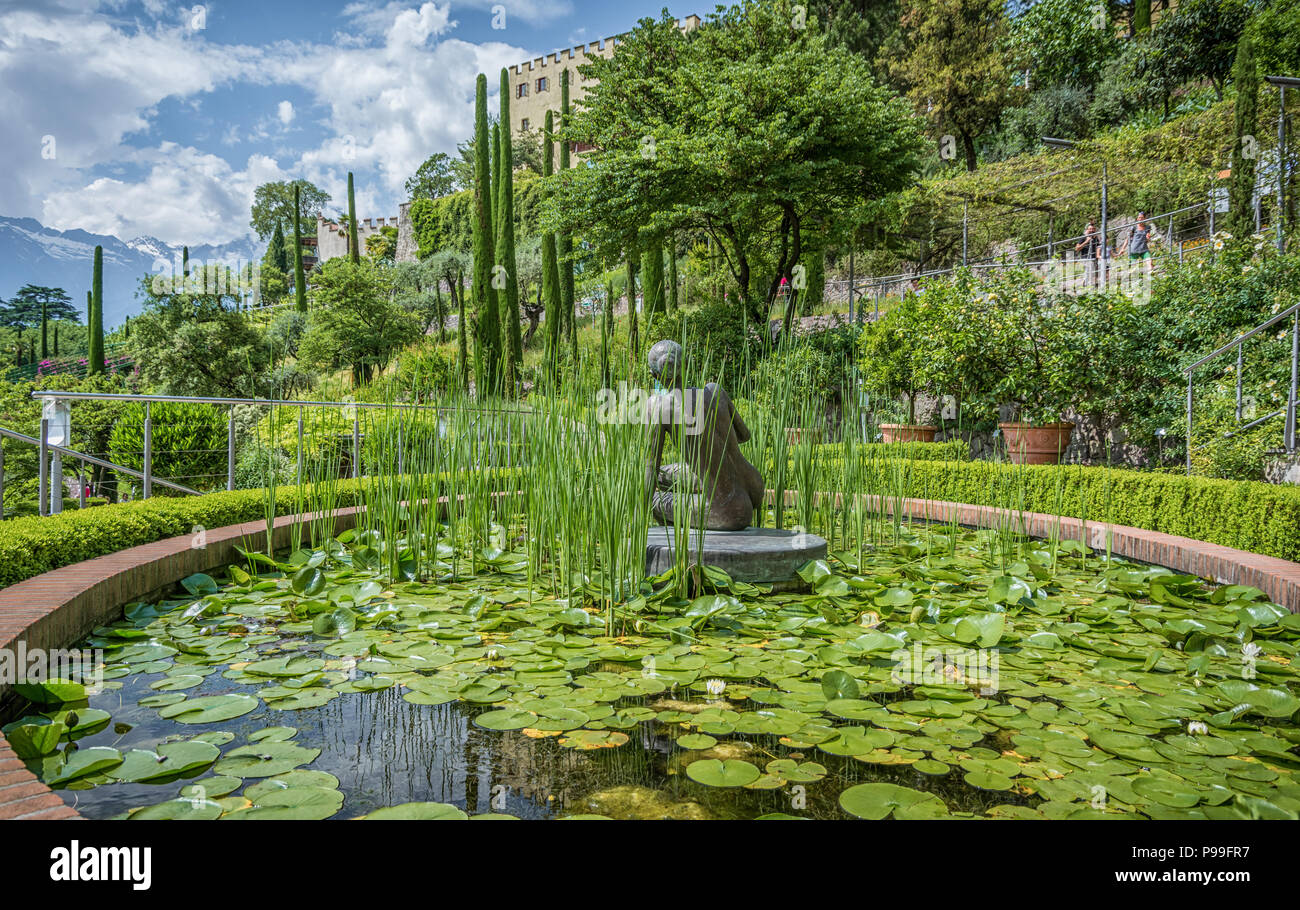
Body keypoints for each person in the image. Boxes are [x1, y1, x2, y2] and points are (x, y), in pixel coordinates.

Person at [644, 339, 765, 531]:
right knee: (663, 475)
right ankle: (705, 487)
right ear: (685, 365)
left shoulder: (658, 406)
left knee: (652, 500)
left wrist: (637, 518)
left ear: (654, 375)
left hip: (728, 511)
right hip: (754, 489)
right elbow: (744, 436)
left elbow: (649, 469)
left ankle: (683, 552)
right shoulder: (715, 390)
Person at [1075, 220, 1101, 286]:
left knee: (1092, 273)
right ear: (1087, 230)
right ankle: (1086, 285)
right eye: (1090, 229)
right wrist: (1086, 242)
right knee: (1089, 272)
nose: (1092, 230)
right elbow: (1077, 248)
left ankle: (1086, 284)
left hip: (1094, 258)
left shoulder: (1095, 238)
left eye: (1093, 229)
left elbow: (1098, 246)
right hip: (1086, 258)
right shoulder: (1083, 237)